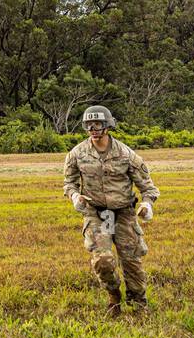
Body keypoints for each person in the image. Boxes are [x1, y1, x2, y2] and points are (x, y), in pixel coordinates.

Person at [63, 105, 160, 317]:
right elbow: (68, 183)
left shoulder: (126, 154)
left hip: (123, 213)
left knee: (131, 260)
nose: (93, 128)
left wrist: (147, 204)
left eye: (97, 124)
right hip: (97, 214)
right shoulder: (76, 154)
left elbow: (148, 186)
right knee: (103, 261)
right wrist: (74, 196)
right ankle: (114, 297)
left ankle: (138, 303)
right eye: (88, 125)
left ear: (107, 125)